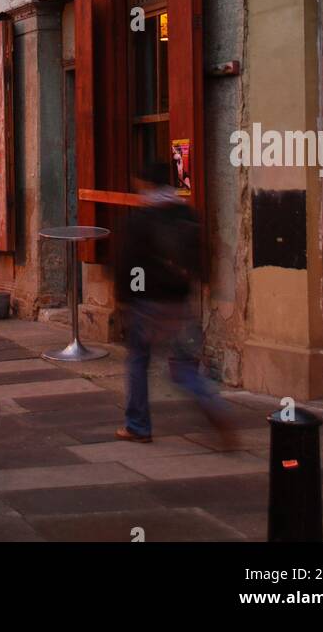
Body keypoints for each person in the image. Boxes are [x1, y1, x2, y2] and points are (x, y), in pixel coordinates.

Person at [116, 161, 237, 446]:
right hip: (180, 301)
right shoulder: (186, 213)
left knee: (137, 360)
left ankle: (138, 426)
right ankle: (215, 406)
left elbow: (130, 267)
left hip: (148, 302)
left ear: (144, 183)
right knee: (183, 366)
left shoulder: (141, 219)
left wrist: (126, 299)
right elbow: (201, 253)